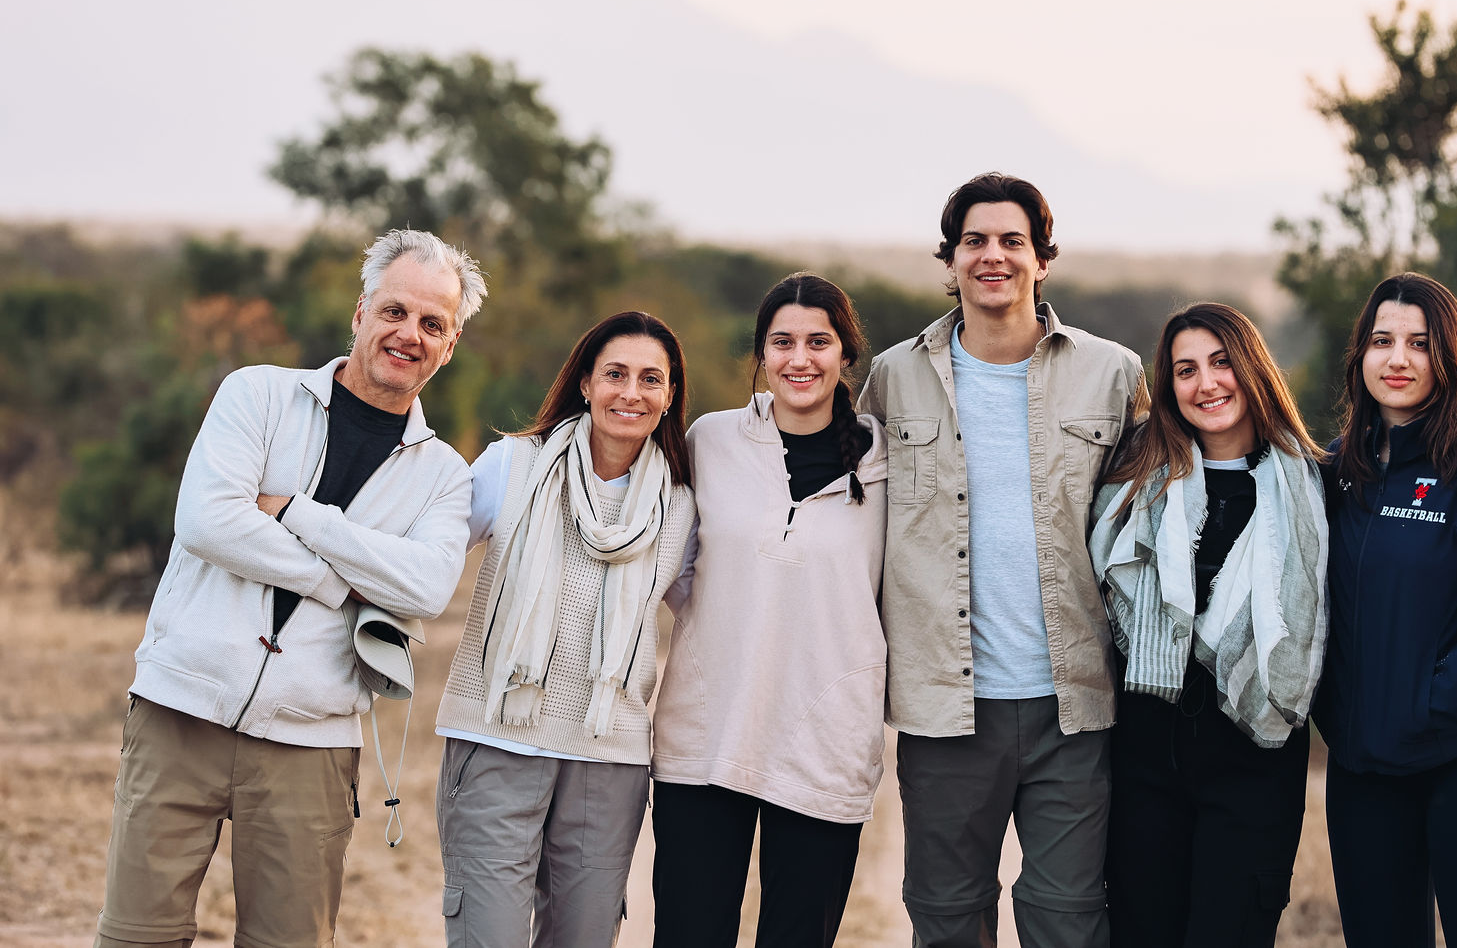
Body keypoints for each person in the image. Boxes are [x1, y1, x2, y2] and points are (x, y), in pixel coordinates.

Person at [94, 229, 486, 948]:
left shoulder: (445, 476)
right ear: (360, 311)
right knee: (135, 937)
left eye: (434, 324)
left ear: (450, 344)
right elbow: (208, 522)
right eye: (395, 310)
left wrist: (300, 513)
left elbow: (427, 586)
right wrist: (345, 584)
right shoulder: (257, 393)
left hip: (312, 739)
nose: (410, 334)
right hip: (181, 705)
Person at [858, 172, 1148, 947]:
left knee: (1068, 920)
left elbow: (1152, 526)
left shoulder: (1113, 374)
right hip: (945, 710)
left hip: (1074, 703)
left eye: (1012, 240)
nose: (994, 256)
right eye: (974, 241)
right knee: (948, 921)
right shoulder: (893, 377)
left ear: (1042, 258)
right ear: (949, 259)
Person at [432, 310, 696, 948]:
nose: (630, 393)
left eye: (650, 380)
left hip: (609, 758)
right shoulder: (512, 466)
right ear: (584, 383)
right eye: (614, 374)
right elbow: (427, 565)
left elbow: (707, 611)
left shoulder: (683, 503)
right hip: (497, 738)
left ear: (669, 397)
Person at [651, 273, 888, 948]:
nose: (800, 358)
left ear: (846, 353)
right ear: (761, 353)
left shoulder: (890, 462)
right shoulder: (711, 441)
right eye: (782, 341)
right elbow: (673, 560)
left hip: (825, 737)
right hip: (705, 733)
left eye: (819, 341)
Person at [1313, 272, 1457, 948]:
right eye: (1382, 340)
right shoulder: (1335, 471)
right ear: (1359, 356)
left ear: (1449, 357)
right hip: (1363, 770)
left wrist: (1425, 705)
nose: (1398, 358)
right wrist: (1337, 707)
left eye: (1419, 343)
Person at [1088, 303, 1328, 947]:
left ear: (1253, 370)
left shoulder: (1314, 489)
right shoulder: (1129, 489)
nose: (1207, 384)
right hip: (1145, 754)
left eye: (1222, 363)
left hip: (1253, 757)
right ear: (1169, 388)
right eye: (1185, 370)